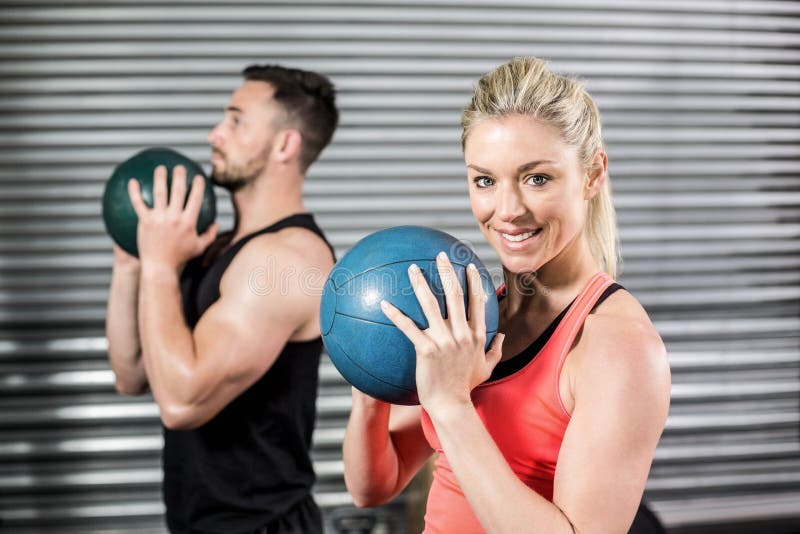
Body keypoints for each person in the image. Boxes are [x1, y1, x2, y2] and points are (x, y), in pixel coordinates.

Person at [342, 56, 671, 533]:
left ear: (593, 174)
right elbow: (373, 486)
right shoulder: (475, 316)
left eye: (537, 178)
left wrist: (451, 406)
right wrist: (369, 374)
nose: (508, 209)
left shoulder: (617, 346)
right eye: (485, 180)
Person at [105, 64, 338, 533]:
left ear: (285, 144)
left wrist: (160, 267)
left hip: (263, 525)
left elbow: (182, 402)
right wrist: (132, 261)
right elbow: (131, 374)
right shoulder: (220, 248)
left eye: (236, 121)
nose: (214, 135)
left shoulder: (287, 259)